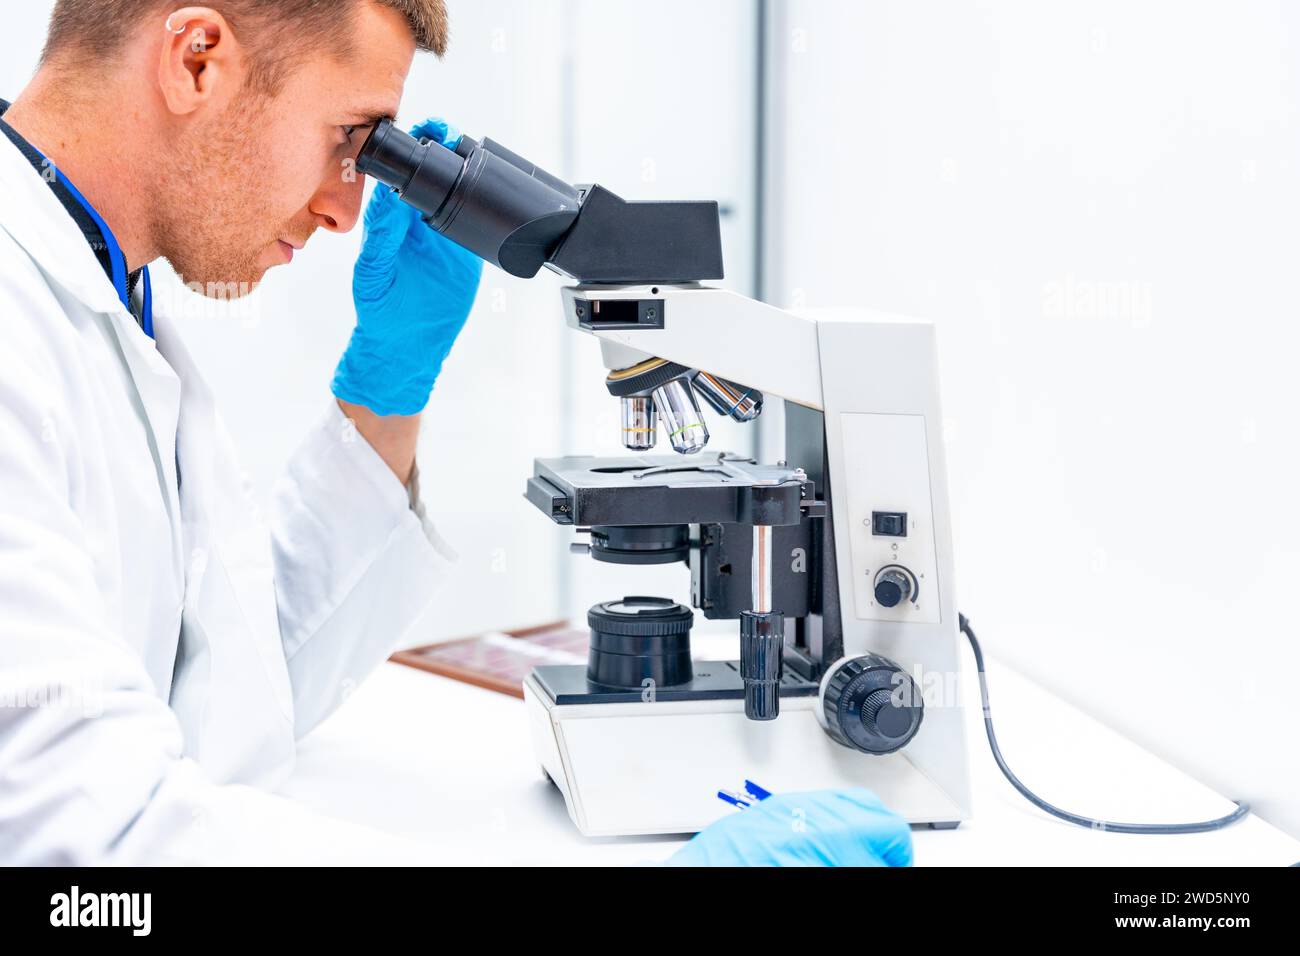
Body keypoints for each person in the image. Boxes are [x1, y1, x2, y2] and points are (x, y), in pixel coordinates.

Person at [0, 0, 912, 866]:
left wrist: (390, 375)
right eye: (348, 141)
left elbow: (240, 688)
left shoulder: (111, 288)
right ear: (196, 60)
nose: (345, 208)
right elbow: (90, 839)